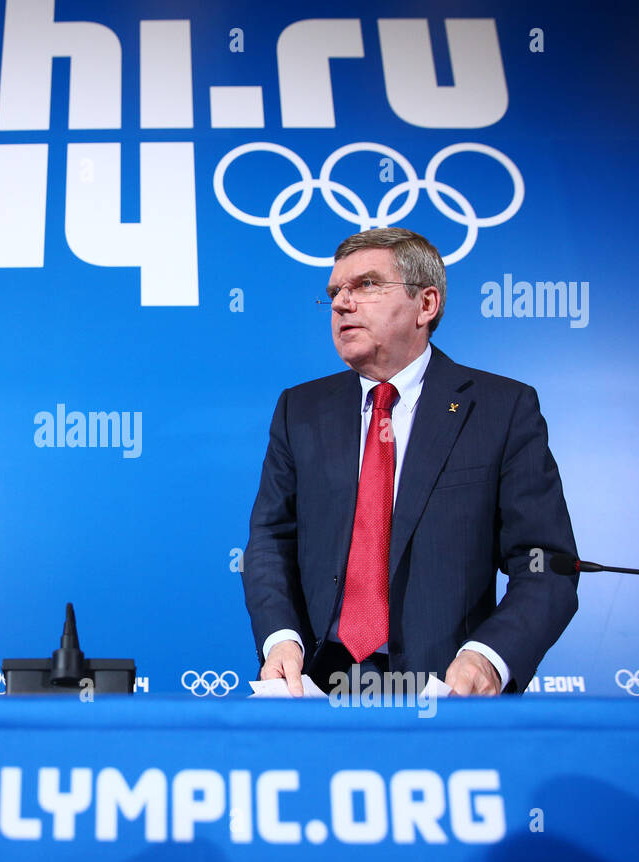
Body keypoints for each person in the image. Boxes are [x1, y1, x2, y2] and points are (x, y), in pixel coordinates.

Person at [242, 227, 577, 696]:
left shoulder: (501, 409)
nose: (342, 303)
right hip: (316, 686)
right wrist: (281, 640)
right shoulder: (301, 409)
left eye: (366, 285)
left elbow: (546, 565)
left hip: (445, 689)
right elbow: (271, 542)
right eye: (335, 292)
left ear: (426, 305)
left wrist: (488, 657)